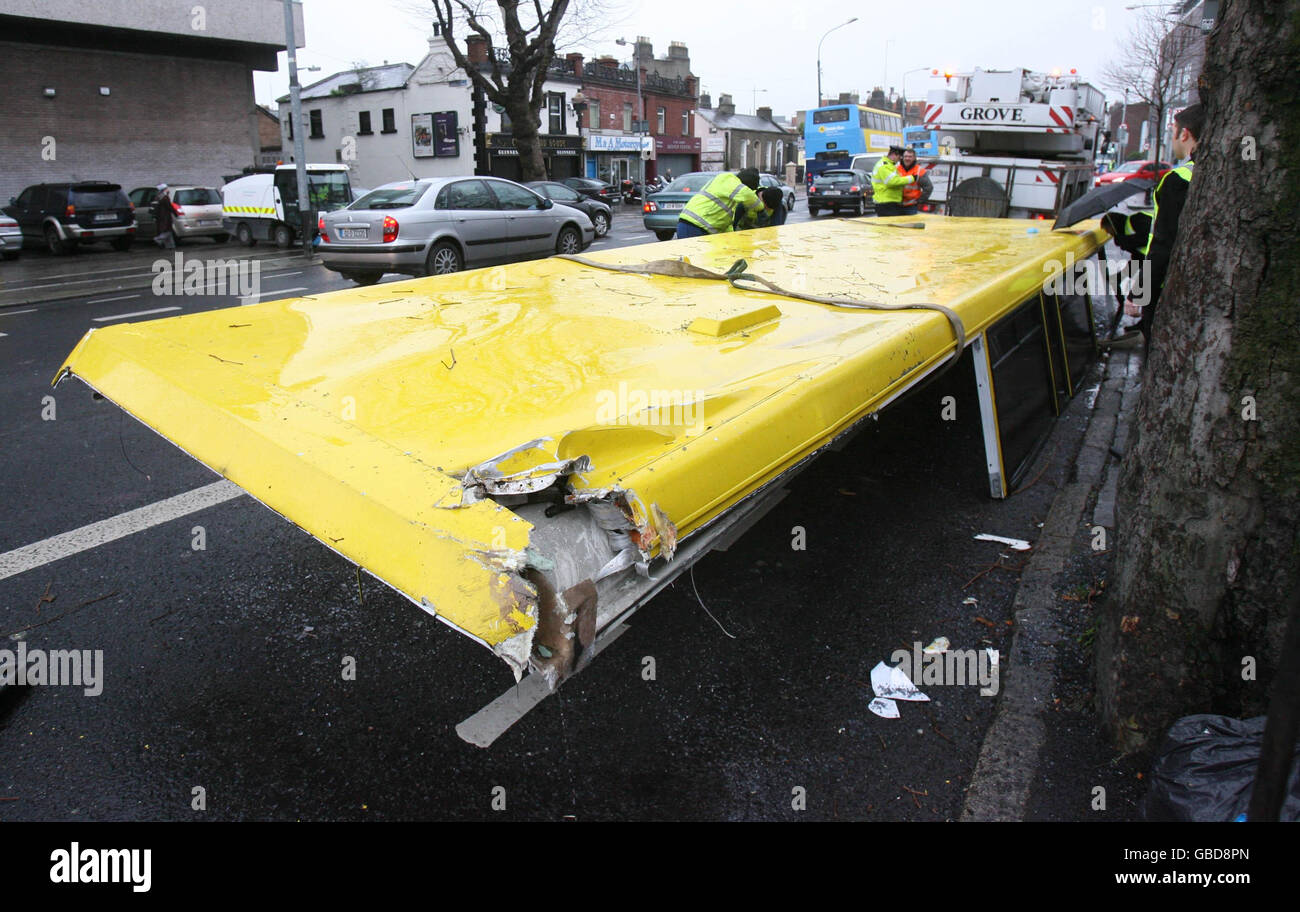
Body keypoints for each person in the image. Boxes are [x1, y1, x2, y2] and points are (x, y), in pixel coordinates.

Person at [1101, 103, 1201, 347]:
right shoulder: (1205, 171)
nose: (1173, 137)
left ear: (1184, 133)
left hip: (1168, 287)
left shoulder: (1178, 178)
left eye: (1173, 131)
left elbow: (1164, 243)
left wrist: (1140, 293)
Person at [676, 167, 765, 238]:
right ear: (747, 184)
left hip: (692, 226)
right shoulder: (731, 182)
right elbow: (747, 195)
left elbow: (727, 224)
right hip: (694, 227)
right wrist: (761, 208)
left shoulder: (729, 196)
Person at [871, 146, 916, 217]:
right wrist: (911, 178)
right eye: (899, 157)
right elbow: (892, 181)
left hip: (888, 202)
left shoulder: (889, 165)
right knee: (889, 227)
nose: (899, 160)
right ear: (894, 154)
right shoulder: (885, 166)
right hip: (886, 203)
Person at [897, 148, 932, 216]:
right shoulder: (896, 168)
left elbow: (928, 188)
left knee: (910, 225)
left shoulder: (919, 171)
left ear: (914, 158)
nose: (907, 158)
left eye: (910, 157)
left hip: (911, 206)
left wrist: (919, 201)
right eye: (905, 156)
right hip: (896, 204)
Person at [153, 184, 176, 249]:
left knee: (168, 231)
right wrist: (175, 213)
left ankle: (170, 246)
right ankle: (158, 239)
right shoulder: (165, 198)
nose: (168, 190)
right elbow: (169, 207)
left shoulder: (158, 197)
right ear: (164, 190)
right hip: (165, 216)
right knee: (167, 231)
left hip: (160, 216)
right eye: (167, 189)